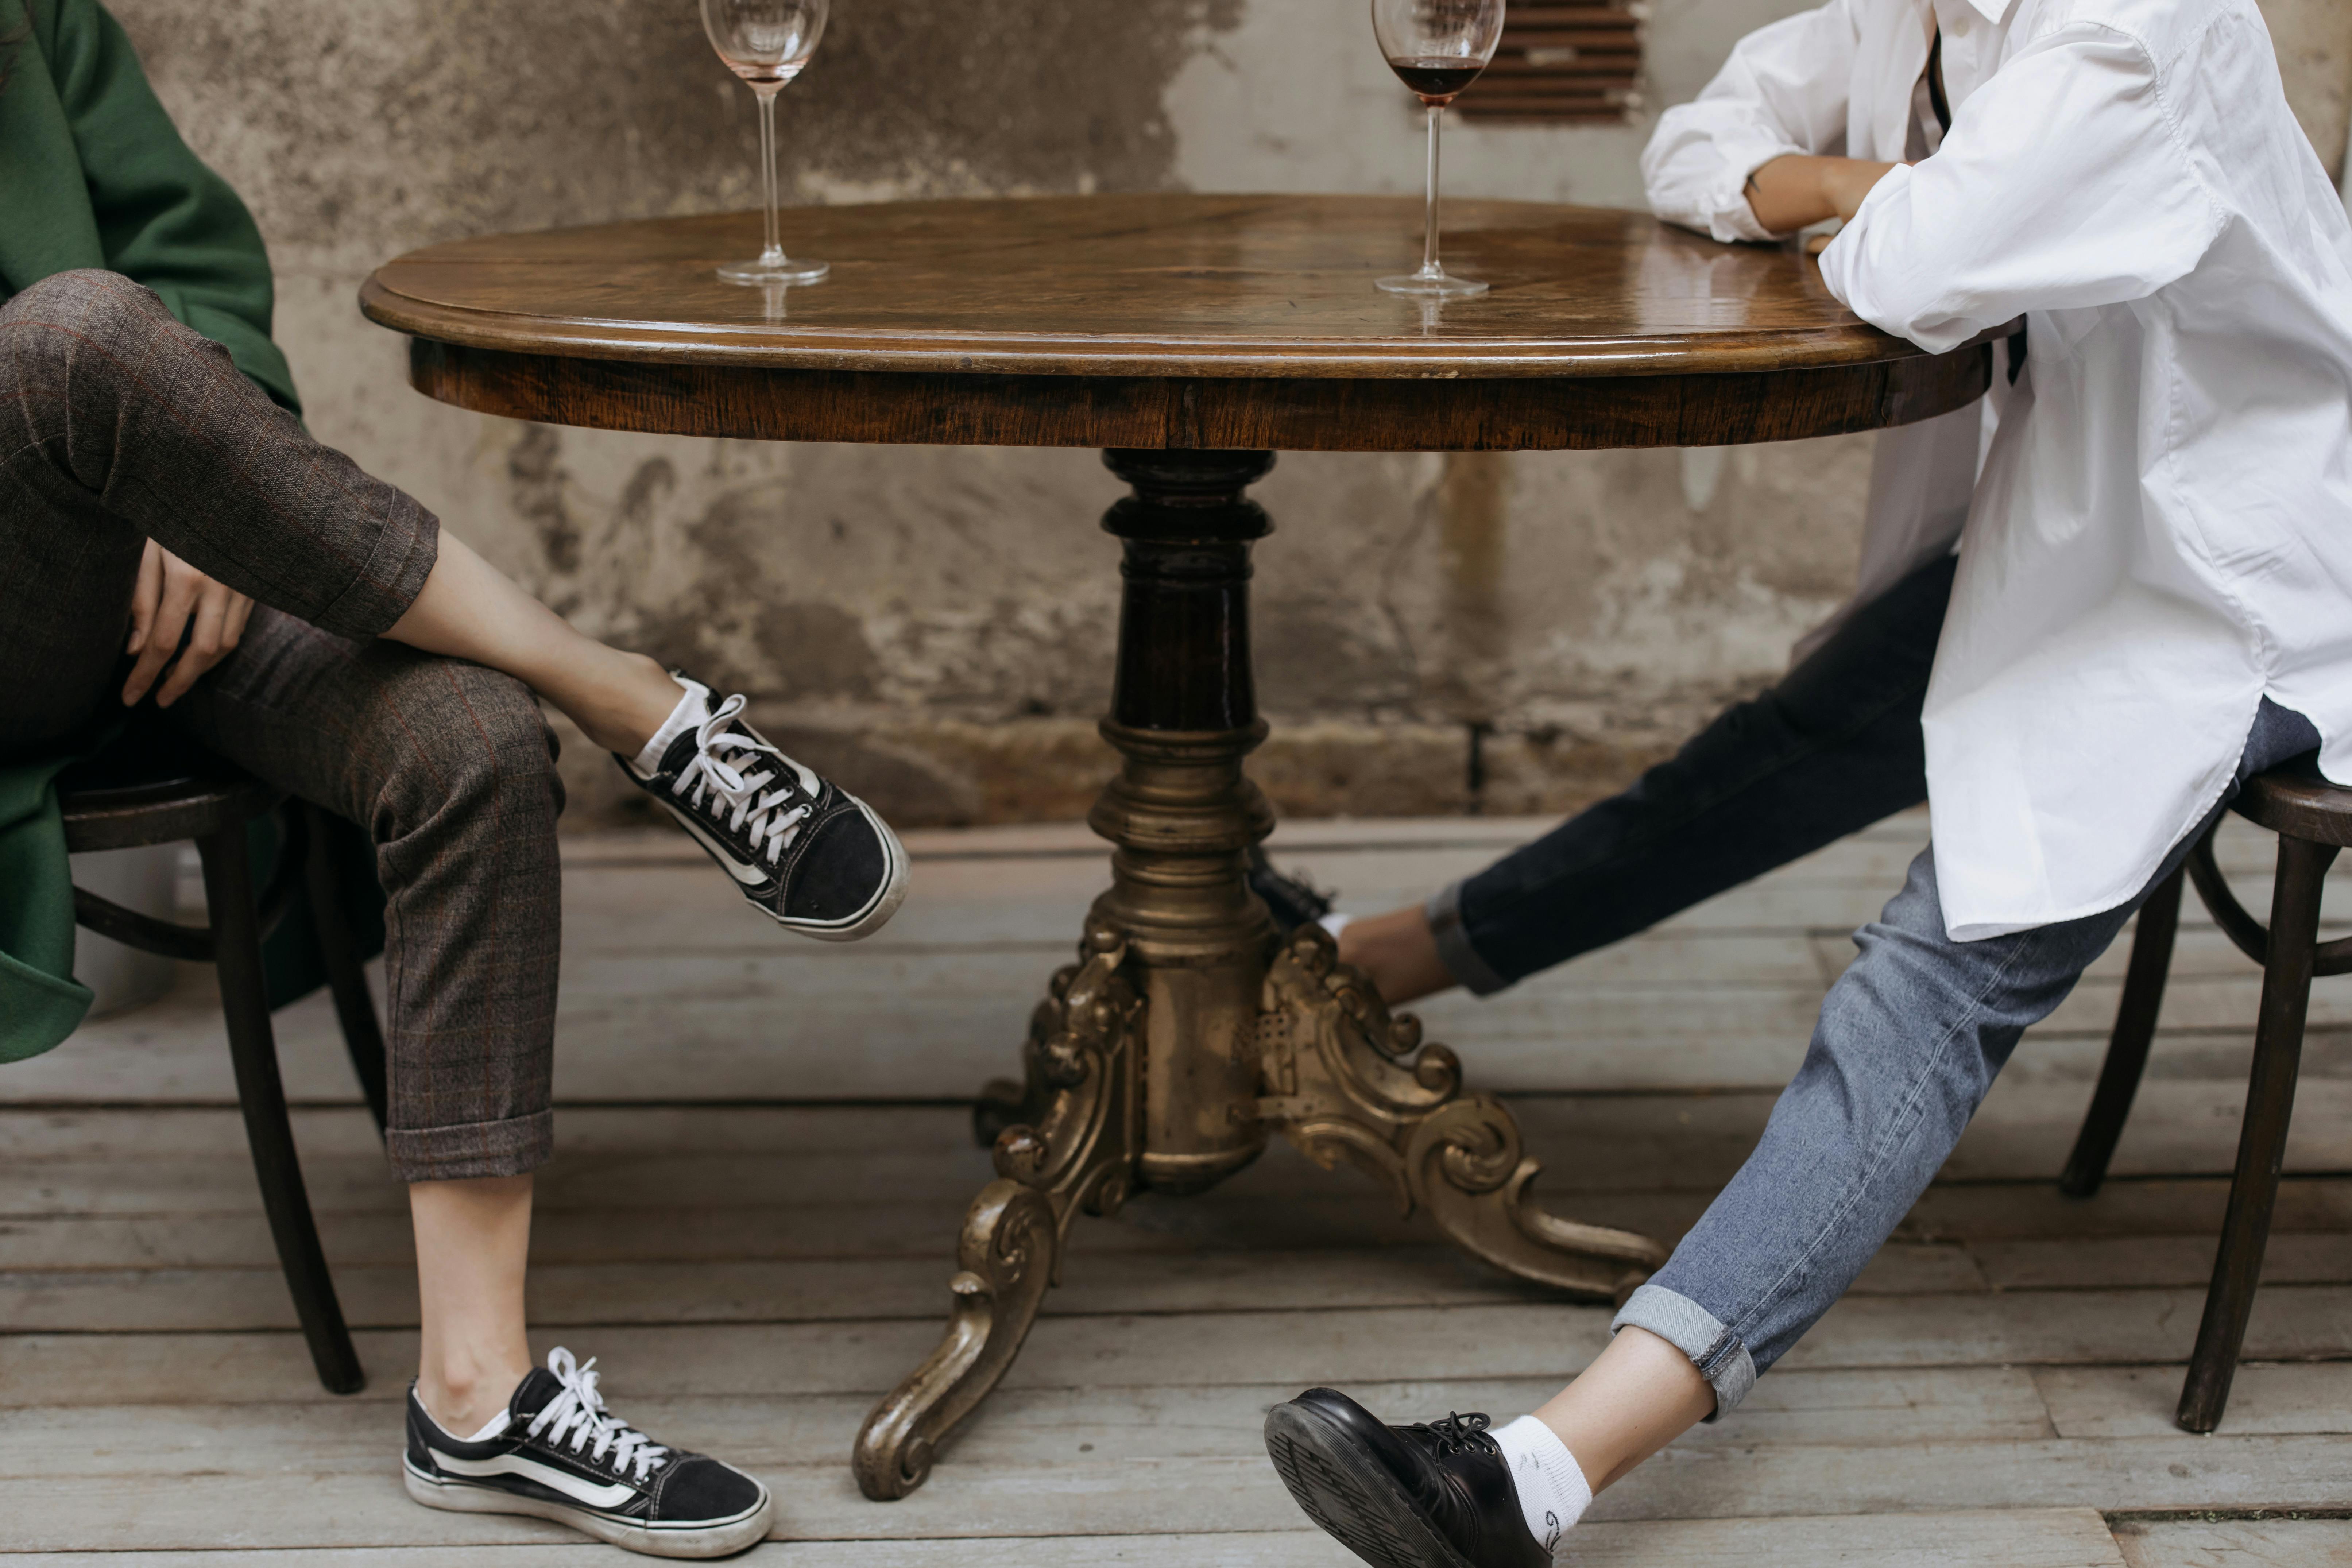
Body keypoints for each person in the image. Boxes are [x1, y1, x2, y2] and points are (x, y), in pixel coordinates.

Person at [1254, 0, 2352, 1563]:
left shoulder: (2137, 20)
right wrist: (1858, 186)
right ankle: (1361, 964)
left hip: (2243, 582)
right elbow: (1694, 150)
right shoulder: (1917, 16)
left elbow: (1907, 275)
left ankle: (1536, 1476)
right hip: (2074, 534)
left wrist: (1858, 197)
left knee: (1933, 974)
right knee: (1793, 748)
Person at [0, 0, 907, 1555]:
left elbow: (193, 262)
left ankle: (476, 1394)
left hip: (162, 588)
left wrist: (176, 493)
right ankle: (632, 693)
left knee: (470, 741)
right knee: (74, 337)